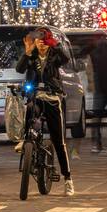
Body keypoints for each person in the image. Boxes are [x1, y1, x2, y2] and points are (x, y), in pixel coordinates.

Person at [15, 28, 75, 195]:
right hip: (36, 97)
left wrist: (53, 44)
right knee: (30, 108)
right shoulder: (32, 56)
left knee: (58, 140)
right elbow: (19, 69)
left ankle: (68, 179)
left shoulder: (54, 56)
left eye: (43, 41)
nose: (40, 44)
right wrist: (27, 53)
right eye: (37, 41)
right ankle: (26, 138)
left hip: (53, 98)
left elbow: (65, 58)